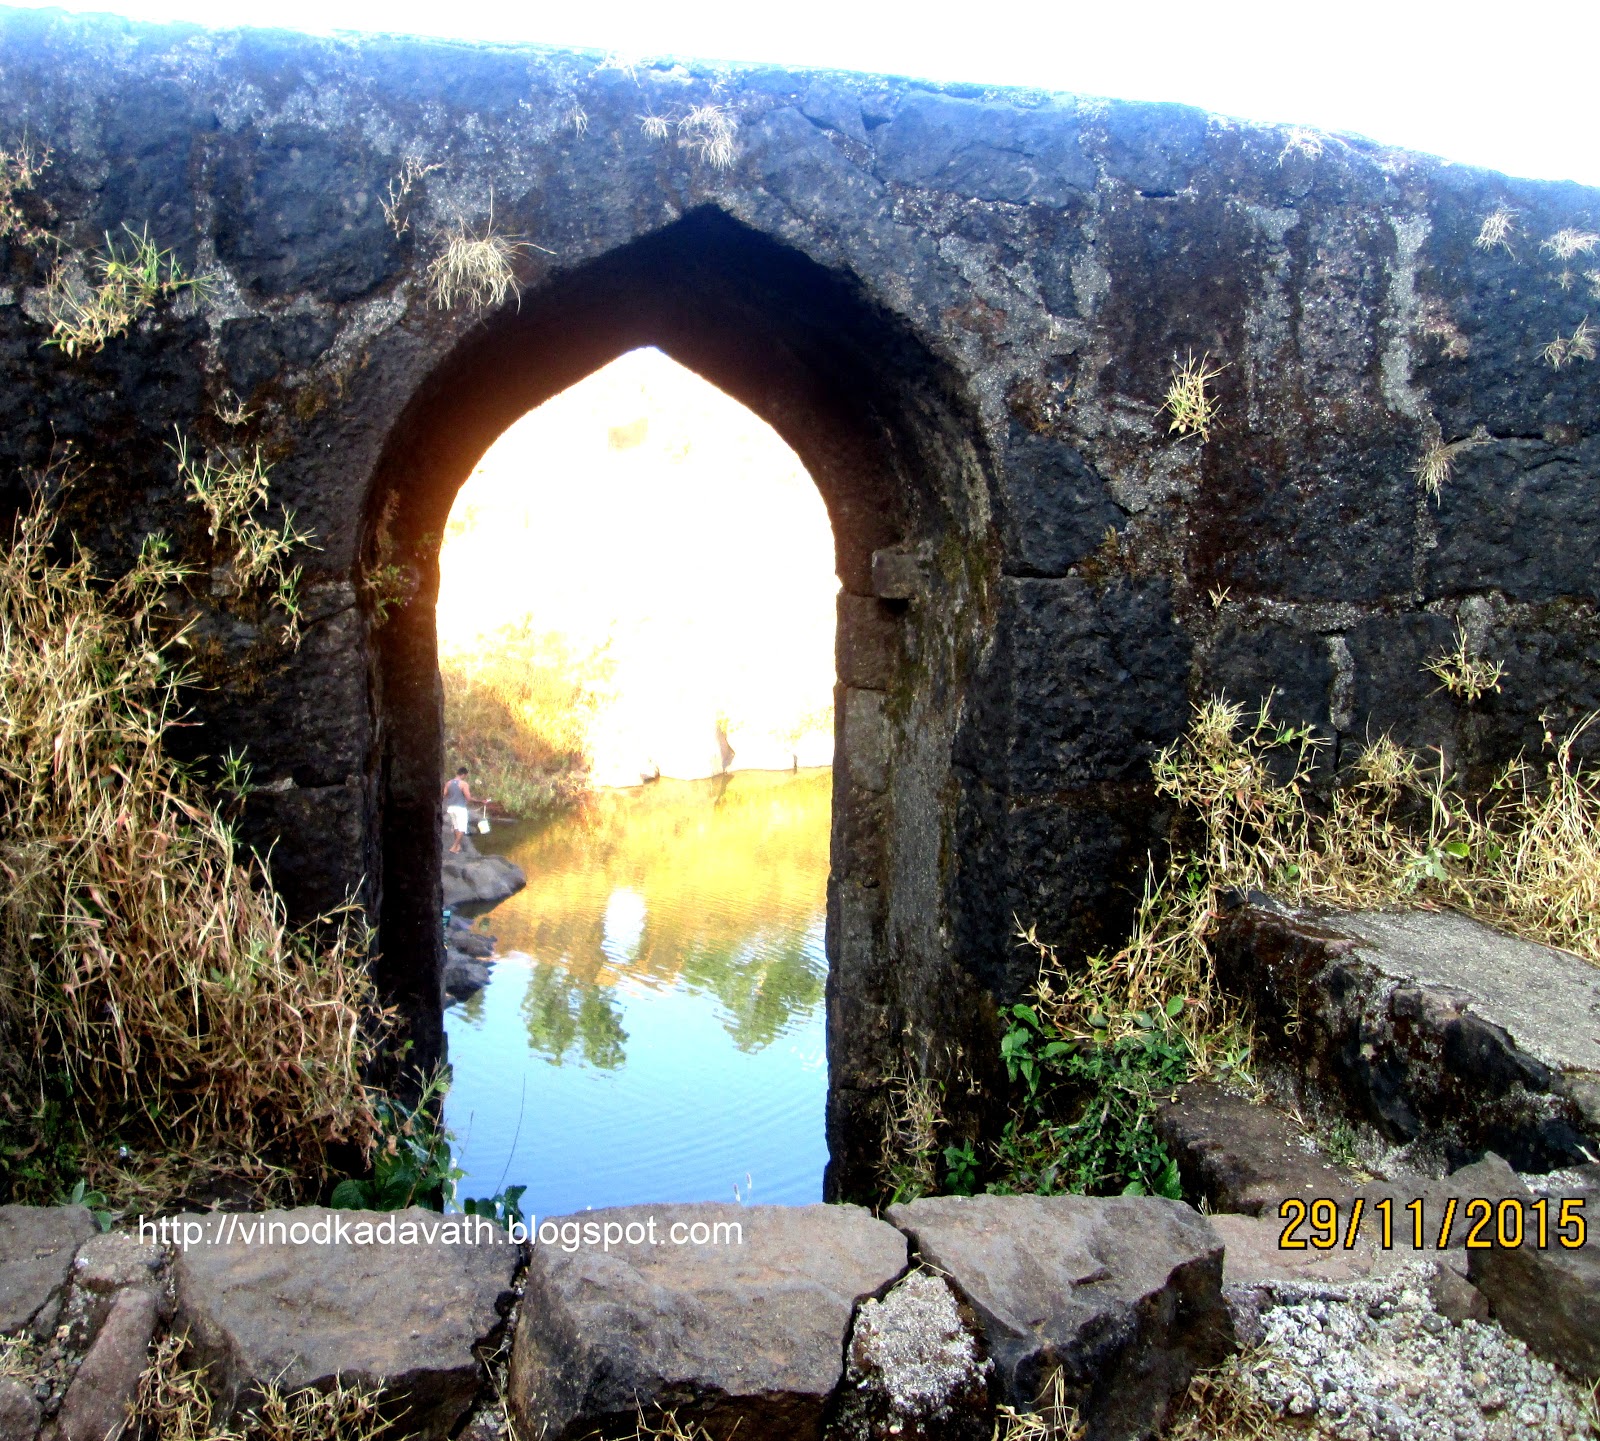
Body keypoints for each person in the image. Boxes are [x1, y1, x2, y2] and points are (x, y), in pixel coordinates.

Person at [442, 767, 483, 854]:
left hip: (451, 808)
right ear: (463, 774)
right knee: (462, 828)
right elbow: (468, 797)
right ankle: (454, 847)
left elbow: (444, 795)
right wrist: (480, 801)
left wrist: (452, 797)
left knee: (456, 827)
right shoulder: (464, 784)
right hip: (460, 809)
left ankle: (457, 846)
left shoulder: (448, 783)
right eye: (466, 776)